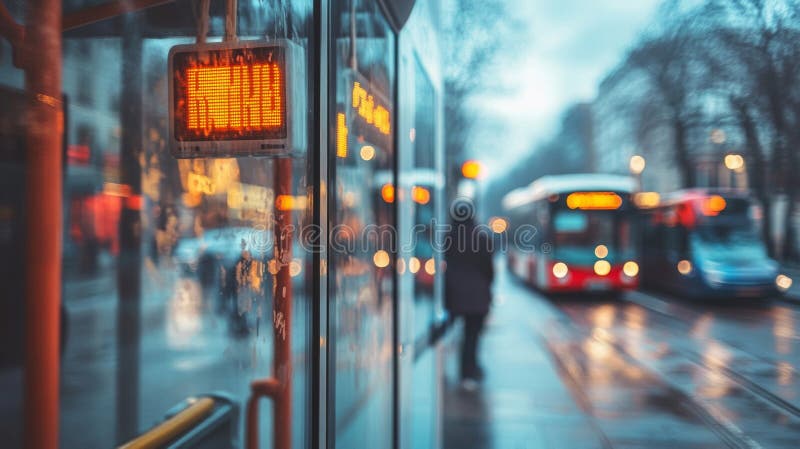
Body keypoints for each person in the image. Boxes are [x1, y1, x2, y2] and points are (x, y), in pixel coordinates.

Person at [445, 209, 494, 390]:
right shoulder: (482, 238)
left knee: (447, 331)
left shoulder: (448, 238)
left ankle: (448, 368)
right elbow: (489, 269)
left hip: (453, 295)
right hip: (477, 296)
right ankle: (468, 373)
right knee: (472, 336)